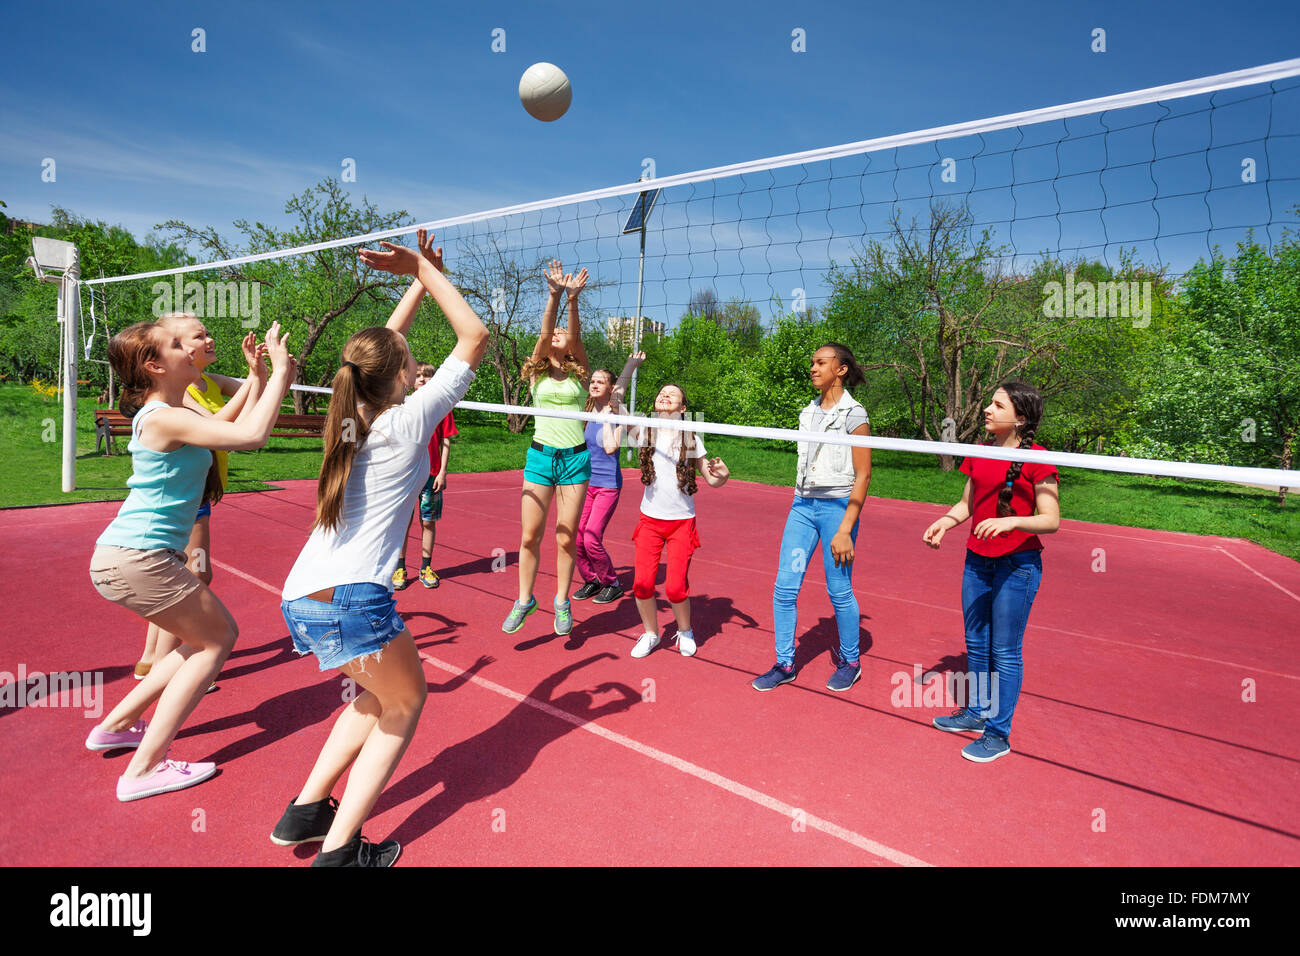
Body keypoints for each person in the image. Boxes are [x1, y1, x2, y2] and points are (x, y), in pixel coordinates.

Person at [273, 231, 488, 866]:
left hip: (301, 595)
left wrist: (420, 282)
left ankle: (307, 811)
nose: (419, 365)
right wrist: (422, 266)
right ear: (398, 377)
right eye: (412, 362)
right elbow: (474, 337)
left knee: (375, 695)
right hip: (353, 596)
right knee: (407, 701)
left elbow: (374, 351)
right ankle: (341, 853)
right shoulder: (409, 418)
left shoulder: (353, 417)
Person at [85, 321, 295, 801]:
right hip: (136, 558)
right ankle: (144, 769)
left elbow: (225, 430)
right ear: (155, 365)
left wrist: (259, 375)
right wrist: (280, 372)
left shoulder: (174, 409)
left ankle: (118, 724)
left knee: (199, 641)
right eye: (179, 343)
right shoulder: (162, 415)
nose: (194, 346)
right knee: (218, 640)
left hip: (131, 557)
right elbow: (253, 436)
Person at [920, 382, 1060, 763]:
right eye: (989, 403)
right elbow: (968, 503)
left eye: (998, 405)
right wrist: (944, 523)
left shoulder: (1039, 459)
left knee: (1005, 651)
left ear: (1021, 417)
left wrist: (1011, 522)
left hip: (1018, 565)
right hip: (977, 560)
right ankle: (977, 713)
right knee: (977, 643)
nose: (987, 409)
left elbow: (1051, 520)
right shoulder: (978, 451)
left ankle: (999, 734)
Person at [134, 316, 267, 688]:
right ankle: (165, 668)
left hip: (198, 494)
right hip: (190, 500)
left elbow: (255, 396)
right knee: (194, 576)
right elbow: (227, 427)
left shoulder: (210, 381)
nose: (209, 340)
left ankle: (150, 660)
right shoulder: (184, 395)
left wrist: (261, 374)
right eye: (197, 336)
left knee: (178, 577)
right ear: (177, 350)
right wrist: (258, 379)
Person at [753, 343, 872, 693]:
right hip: (802, 507)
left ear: (842, 369)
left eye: (821, 362)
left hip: (837, 509)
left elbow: (863, 475)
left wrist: (846, 528)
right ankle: (784, 663)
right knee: (784, 587)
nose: (813, 368)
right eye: (812, 362)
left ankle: (850, 660)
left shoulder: (854, 414)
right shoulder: (808, 412)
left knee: (838, 589)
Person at [502, 261, 591, 636]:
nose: (556, 334)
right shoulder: (537, 370)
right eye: (552, 332)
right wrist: (553, 295)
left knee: (566, 535)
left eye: (561, 333)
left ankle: (561, 601)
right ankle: (524, 599)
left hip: (574, 460)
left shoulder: (580, 372)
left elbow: (574, 334)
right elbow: (543, 332)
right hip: (540, 457)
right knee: (528, 536)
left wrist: (572, 301)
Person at [626, 384, 729, 658]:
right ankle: (651, 633)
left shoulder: (691, 438)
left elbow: (712, 479)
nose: (664, 395)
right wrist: (626, 374)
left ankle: (684, 630)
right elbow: (616, 408)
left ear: (683, 408)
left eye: (672, 394)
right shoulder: (644, 431)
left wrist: (722, 474)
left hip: (681, 522)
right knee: (643, 584)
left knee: (674, 587)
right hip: (650, 521)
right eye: (661, 392)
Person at [571, 350, 645, 606]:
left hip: (607, 486)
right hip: (585, 484)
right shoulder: (588, 407)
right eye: (592, 381)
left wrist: (631, 365)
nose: (593, 384)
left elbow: (611, 448)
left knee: (591, 535)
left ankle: (611, 583)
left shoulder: (614, 412)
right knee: (577, 535)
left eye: (599, 382)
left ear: (610, 388)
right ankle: (592, 579)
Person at [392, 361, 457, 591]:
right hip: (407, 476)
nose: (421, 379)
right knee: (402, 523)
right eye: (418, 375)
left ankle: (426, 567)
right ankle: (399, 567)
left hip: (431, 476)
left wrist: (442, 472)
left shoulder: (441, 407)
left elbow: (446, 441)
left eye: (427, 376)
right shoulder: (401, 405)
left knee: (428, 521)